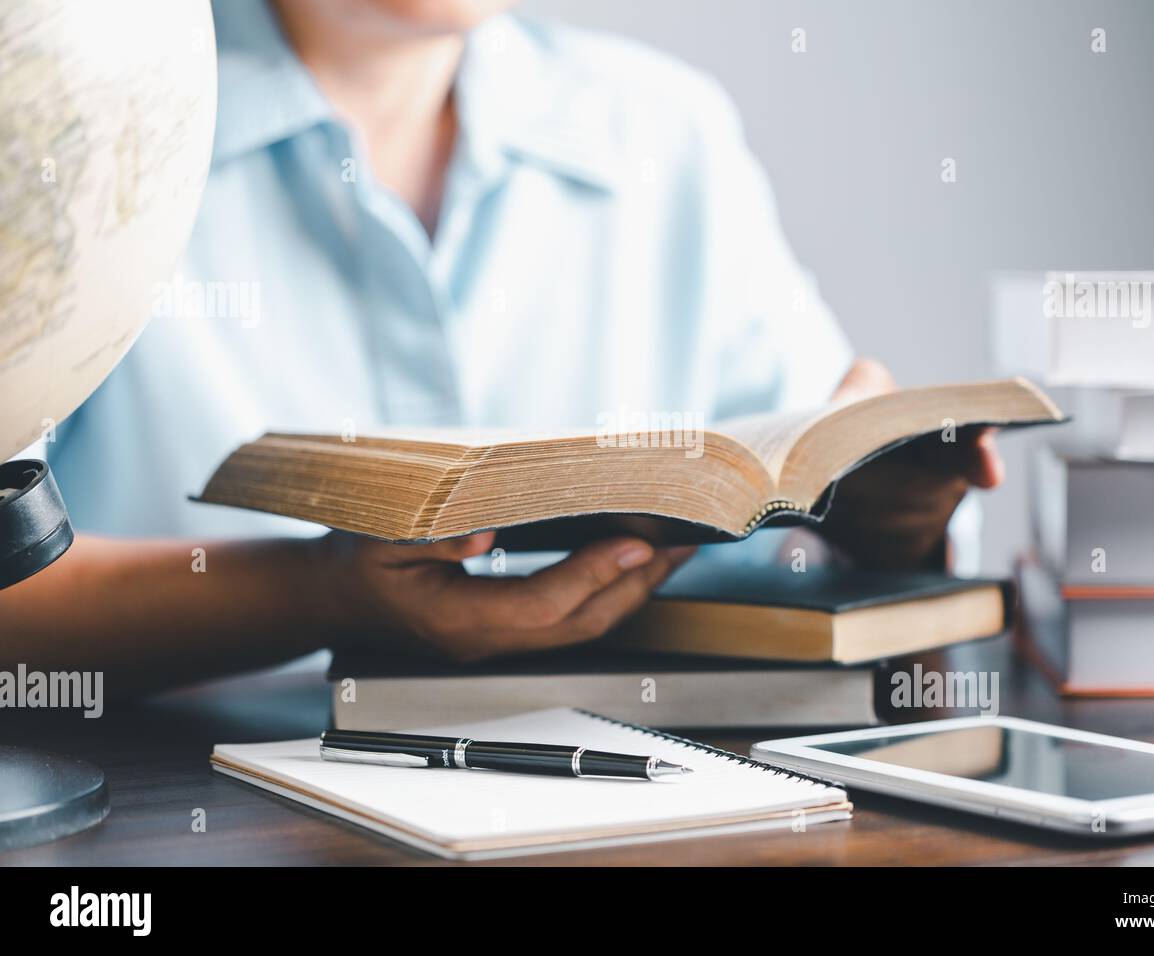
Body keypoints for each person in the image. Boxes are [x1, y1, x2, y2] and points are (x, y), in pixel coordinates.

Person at [0, 0, 1001, 696]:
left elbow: (796, 486)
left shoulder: (669, 132)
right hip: (179, 807)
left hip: (631, 791)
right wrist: (315, 593)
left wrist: (889, 508)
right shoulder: (62, 122)